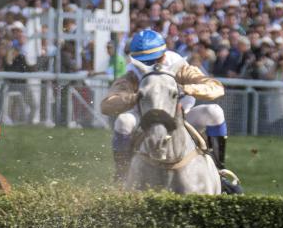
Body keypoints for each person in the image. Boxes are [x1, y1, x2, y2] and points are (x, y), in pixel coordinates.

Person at [102, 29, 240, 193]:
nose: (151, 65)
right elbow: (106, 105)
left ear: (163, 55)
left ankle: (220, 172)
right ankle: (121, 177)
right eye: (145, 62)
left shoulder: (179, 67)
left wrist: (184, 88)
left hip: (182, 116)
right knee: (123, 121)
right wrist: (137, 97)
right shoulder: (132, 74)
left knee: (214, 112)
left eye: (155, 59)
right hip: (144, 119)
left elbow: (216, 88)